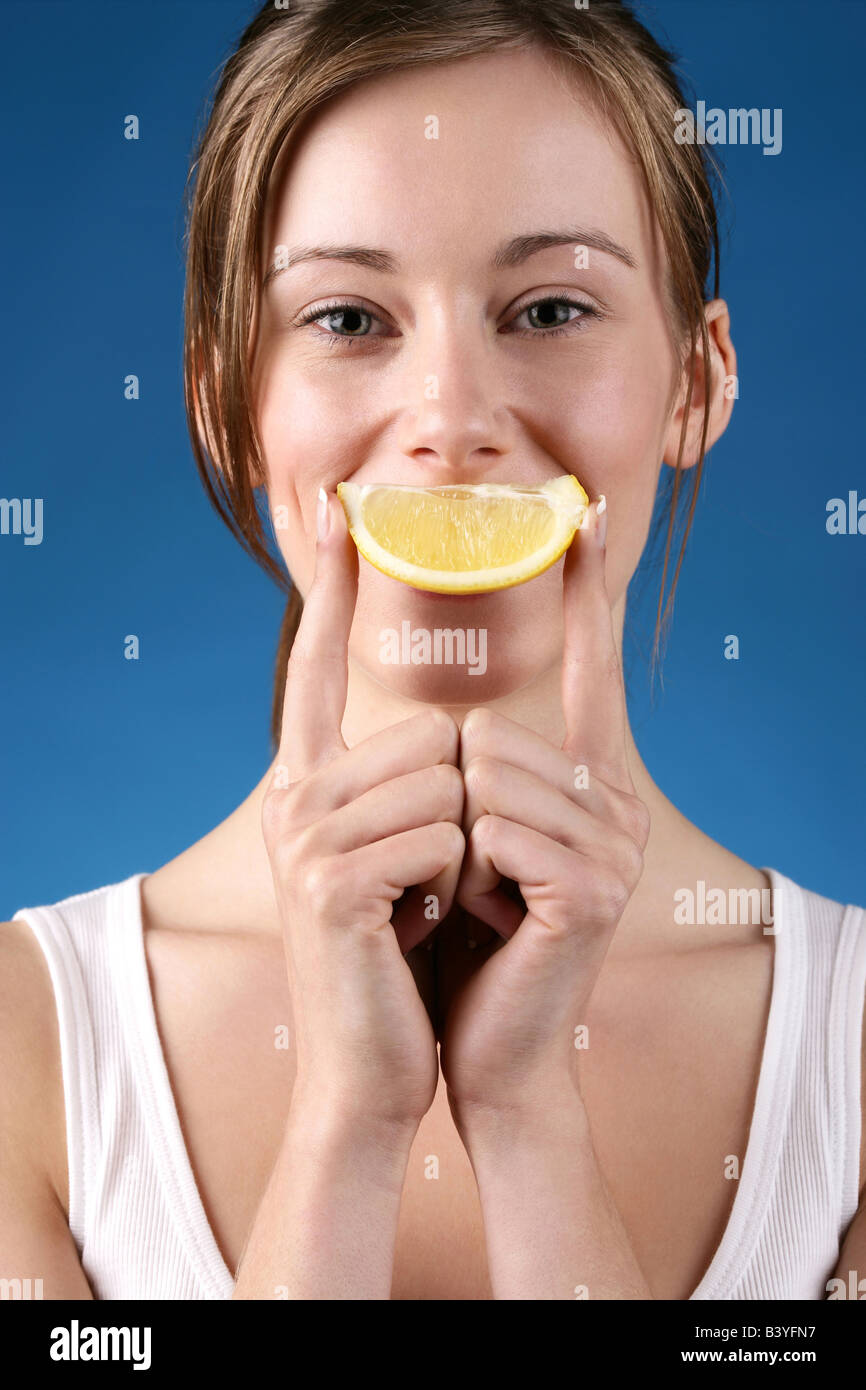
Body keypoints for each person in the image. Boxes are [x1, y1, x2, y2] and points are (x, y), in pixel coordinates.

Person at [3, 0, 865, 1301]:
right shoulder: (28, 1049)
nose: (451, 419)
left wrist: (528, 1122)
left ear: (696, 378)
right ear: (226, 399)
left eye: (549, 307)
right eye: (348, 319)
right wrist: (344, 1126)